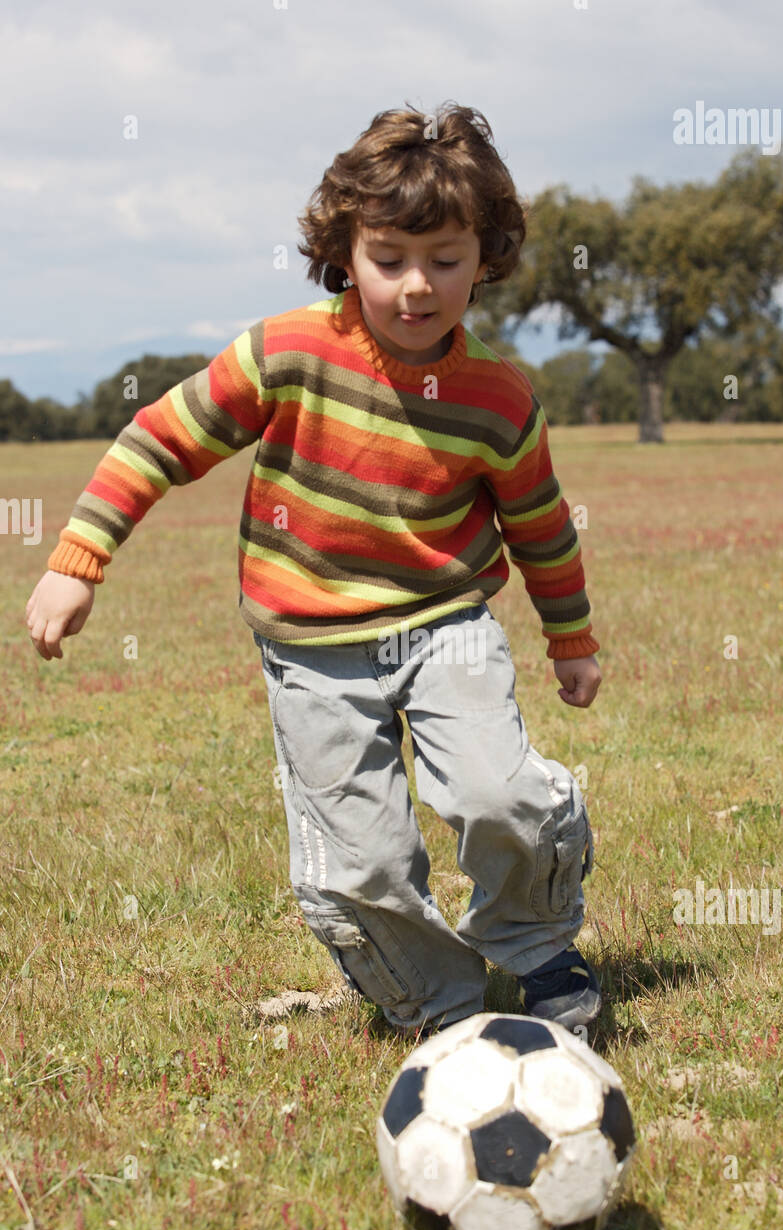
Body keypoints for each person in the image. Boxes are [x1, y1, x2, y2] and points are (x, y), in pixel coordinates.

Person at [25, 102, 603, 1038]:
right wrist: (79, 559)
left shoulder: (499, 396)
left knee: (501, 794)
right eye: (389, 260)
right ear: (345, 248)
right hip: (313, 652)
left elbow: (541, 526)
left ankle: (536, 946)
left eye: (445, 260)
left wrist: (570, 639)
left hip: (445, 623)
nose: (417, 287)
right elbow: (160, 439)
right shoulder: (289, 352)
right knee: (362, 866)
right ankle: (445, 1008)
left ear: (486, 257)